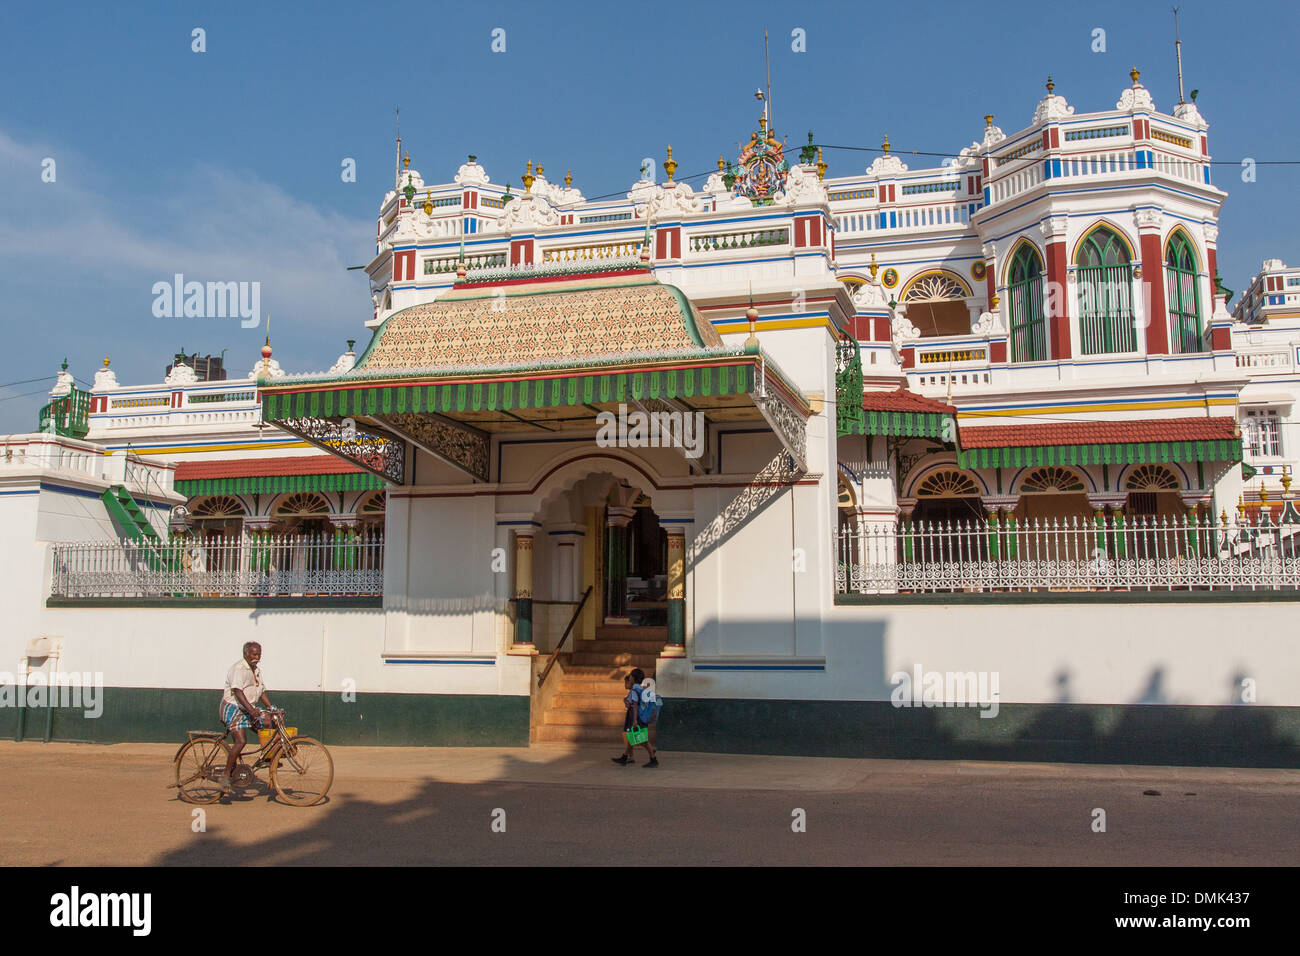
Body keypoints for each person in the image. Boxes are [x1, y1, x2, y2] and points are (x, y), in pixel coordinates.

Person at [217, 641, 276, 794]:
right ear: (246, 654)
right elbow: (237, 691)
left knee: (270, 724)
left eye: (259, 655)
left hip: (248, 708)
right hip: (232, 708)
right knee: (241, 741)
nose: (257, 657)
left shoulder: (256, 670)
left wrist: (271, 708)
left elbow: (261, 691)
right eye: (254, 654)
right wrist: (251, 710)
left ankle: (271, 763)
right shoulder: (239, 669)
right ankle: (225, 776)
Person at [611, 668, 658, 768]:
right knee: (632, 738)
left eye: (631, 676)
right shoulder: (641, 689)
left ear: (633, 678)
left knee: (643, 741)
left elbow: (634, 705)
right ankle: (625, 757)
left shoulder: (634, 690)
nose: (630, 678)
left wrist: (634, 720)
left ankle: (653, 759)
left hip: (635, 717)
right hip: (641, 717)